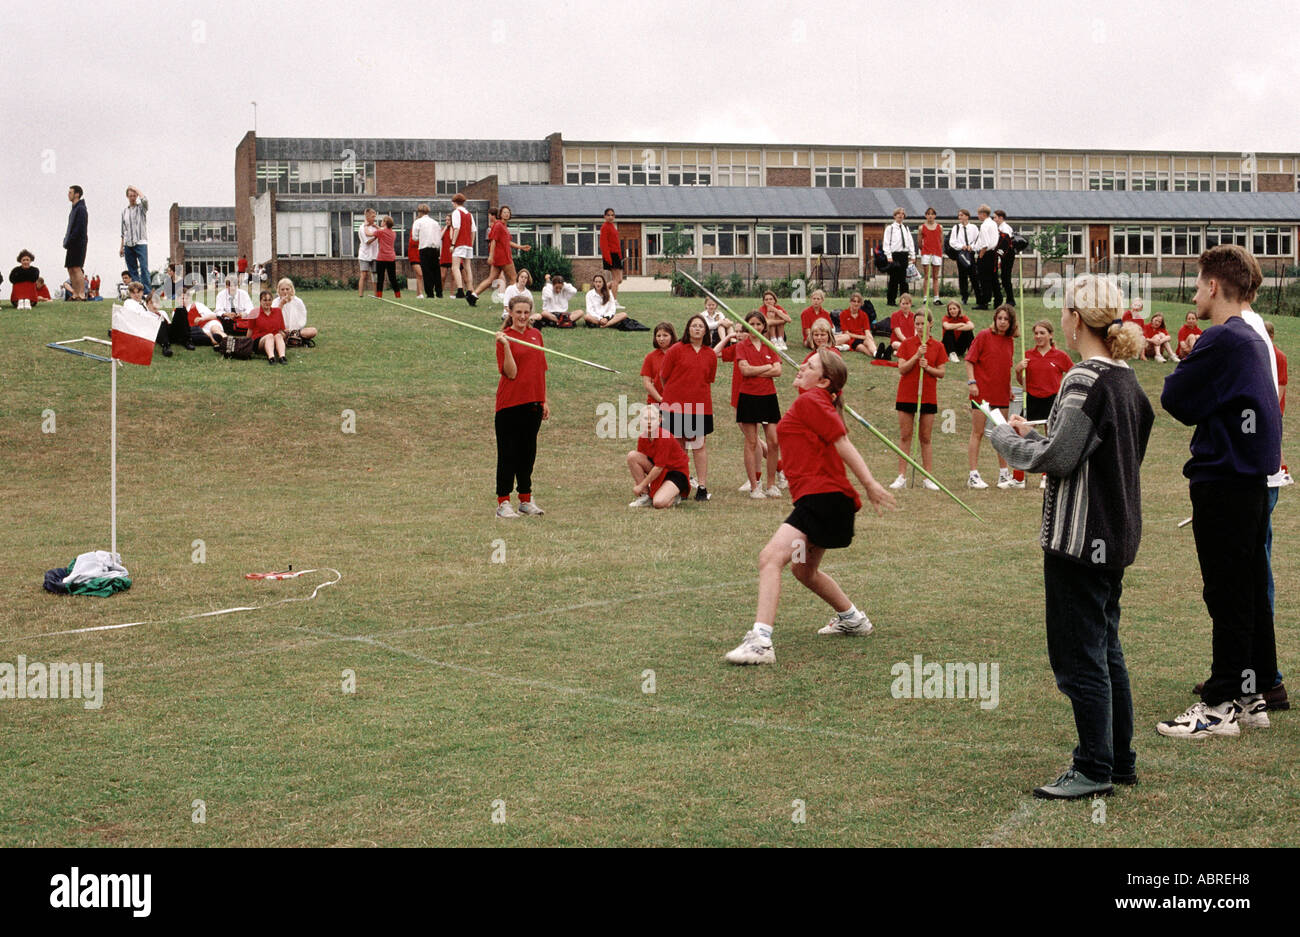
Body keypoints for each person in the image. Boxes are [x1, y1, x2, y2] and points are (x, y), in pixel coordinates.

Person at [988, 274, 1152, 798]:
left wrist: (1003, 439)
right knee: (1106, 649)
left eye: (1064, 310)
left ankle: (1093, 768)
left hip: (1079, 540)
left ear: (1077, 319)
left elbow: (1060, 459)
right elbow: (1092, 448)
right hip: (1113, 536)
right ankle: (1118, 760)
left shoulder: (1083, 378)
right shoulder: (1126, 378)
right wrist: (1035, 435)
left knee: (1080, 656)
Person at [1158, 245, 1281, 739]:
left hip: (1224, 482)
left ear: (1213, 286)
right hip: (1249, 482)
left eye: (1197, 285)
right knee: (1247, 589)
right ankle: (1251, 694)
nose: (1194, 296)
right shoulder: (1253, 337)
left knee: (1226, 593)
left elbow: (1175, 397)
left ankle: (1220, 706)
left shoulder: (1224, 337)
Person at [724, 348, 896, 665]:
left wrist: (870, 483)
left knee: (770, 558)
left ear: (824, 381)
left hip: (823, 500)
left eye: (811, 365)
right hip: (831, 505)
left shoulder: (813, 400)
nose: (802, 366)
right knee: (803, 569)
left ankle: (760, 643)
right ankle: (853, 619)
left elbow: (843, 442)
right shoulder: (815, 402)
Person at [494, 294, 549, 518]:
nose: (523, 316)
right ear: (510, 312)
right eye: (518, 312)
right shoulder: (503, 338)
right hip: (509, 404)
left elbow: (540, 370)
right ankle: (503, 503)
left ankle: (525, 500)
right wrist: (507, 346)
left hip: (533, 404)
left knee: (528, 454)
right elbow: (511, 372)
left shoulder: (536, 336)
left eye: (526, 312)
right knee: (508, 454)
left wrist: (544, 399)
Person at [719, 312, 783, 499]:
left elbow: (778, 370)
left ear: (764, 326)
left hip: (768, 397)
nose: (755, 328)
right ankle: (755, 486)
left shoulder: (769, 345)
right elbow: (745, 370)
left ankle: (771, 484)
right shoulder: (742, 346)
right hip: (748, 397)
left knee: (773, 441)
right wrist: (767, 368)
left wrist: (758, 370)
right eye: (751, 324)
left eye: (758, 324)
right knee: (752, 442)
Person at [659, 314, 718, 501]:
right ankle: (681, 484)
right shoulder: (676, 349)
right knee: (679, 447)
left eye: (701, 326)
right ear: (688, 329)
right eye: (694, 325)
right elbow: (664, 376)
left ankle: (702, 487)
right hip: (675, 406)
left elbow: (708, 379)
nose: (697, 328)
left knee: (699, 446)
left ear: (706, 330)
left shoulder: (710, 354)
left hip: (700, 407)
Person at [890, 309, 947, 490]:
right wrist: (916, 356)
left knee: (925, 437)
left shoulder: (938, 346)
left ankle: (928, 477)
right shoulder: (907, 344)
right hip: (907, 394)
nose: (920, 327)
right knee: (905, 435)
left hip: (928, 396)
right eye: (917, 324)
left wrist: (928, 367)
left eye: (923, 323)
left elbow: (941, 373)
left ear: (931, 324)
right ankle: (901, 476)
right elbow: (902, 369)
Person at [1016, 319, 1075, 488]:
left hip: (1052, 400)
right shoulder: (1028, 355)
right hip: (1032, 399)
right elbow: (1023, 383)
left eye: (1042, 333)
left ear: (1050, 335)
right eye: (1036, 333)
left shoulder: (1060, 356)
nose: (1038, 336)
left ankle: (1047, 477)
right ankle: (1018, 478)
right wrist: (1018, 370)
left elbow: (1073, 373)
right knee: (1020, 435)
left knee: (1051, 439)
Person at [966, 304, 1019, 489]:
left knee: (1002, 433)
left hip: (1001, 394)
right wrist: (972, 382)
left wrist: (1009, 389)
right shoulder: (983, 336)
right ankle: (973, 475)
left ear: (1011, 322)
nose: (1002, 322)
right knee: (978, 432)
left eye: (1006, 319)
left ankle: (1004, 474)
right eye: (1000, 318)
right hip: (981, 393)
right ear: (995, 319)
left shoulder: (1010, 341)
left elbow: (1006, 367)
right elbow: (969, 361)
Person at [627, 404, 690, 509]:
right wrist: (643, 485)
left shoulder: (664, 437)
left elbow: (659, 467)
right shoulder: (642, 438)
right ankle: (645, 496)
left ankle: (676, 495)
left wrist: (641, 485)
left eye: (652, 419)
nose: (649, 422)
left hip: (676, 472)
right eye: (645, 418)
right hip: (660, 470)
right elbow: (643, 463)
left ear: (659, 420)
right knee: (632, 456)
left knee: (658, 503)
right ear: (640, 421)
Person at [476, 205, 531, 299]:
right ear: (500, 214)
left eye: (508, 212)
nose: (506, 214)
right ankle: (514, 299)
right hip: (503, 257)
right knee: (513, 278)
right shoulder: (499, 225)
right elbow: (493, 240)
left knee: (491, 279)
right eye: (504, 212)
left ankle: (473, 295)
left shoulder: (503, 226)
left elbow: (508, 242)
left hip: (499, 257)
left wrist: (521, 247)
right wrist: (490, 256)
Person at [119, 186, 150, 297]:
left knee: (144, 267)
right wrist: (121, 246)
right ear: (127, 197)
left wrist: (135, 189)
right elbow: (123, 231)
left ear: (136, 196)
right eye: (130, 195)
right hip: (128, 243)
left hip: (140, 242)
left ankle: (146, 292)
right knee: (132, 270)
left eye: (134, 195)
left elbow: (145, 200)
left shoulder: (141, 208)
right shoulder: (124, 212)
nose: (132, 198)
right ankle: (137, 293)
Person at [127, 283, 172, 357]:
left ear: (142, 292)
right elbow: (137, 316)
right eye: (133, 293)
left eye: (138, 292)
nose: (136, 295)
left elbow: (152, 301)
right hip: (143, 325)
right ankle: (165, 346)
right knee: (160, 322)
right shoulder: (129, 303)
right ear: (130, 294)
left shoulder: (144, 302)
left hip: (156, 323)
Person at [883, 207, 916, 307]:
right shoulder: (890, 228)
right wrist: (889, 256)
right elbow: (886, 243)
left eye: (902, 214)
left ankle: (905, 301)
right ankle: (891, 301)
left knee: (904, 280)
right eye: (898, 213)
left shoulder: (906, 228)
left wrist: (912, 255)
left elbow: (910, 242)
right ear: (894, 216)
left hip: (904, 255)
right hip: (894, 255)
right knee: (894, 279)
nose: (901, 215)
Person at [449, 194, 478, 305]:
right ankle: (469, 289)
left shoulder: (456, 212)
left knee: (455, 267)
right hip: (468, 244)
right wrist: (471, 244)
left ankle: (460, 290)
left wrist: (453, 244)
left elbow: (456, 228)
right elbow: (473, 231)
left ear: (455, 202)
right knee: (467, 267)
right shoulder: (469, 214)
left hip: (459, 243)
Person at [272, 278, 318, 347]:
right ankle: (295, 340)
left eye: (287, 289)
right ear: (279, 290)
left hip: (297, 331)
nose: (285, 291)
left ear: (291, 289)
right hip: (282, 331)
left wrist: (294, 330)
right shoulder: (275, 302)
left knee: (313, 331)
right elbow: (273, 319)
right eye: (282, 289)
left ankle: (292, 339)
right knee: (277, 335)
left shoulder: (298, 301)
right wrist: (281, 305)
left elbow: (302, 318)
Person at [948, 208, 980, 305]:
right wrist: (962, 246)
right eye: (959, 215)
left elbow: (978, 239)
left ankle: (979, 297)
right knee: (962, 276)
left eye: (962, 215)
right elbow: (952, 241)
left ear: (967, 216)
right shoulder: (956, 228)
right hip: (961, 254)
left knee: (974, 276)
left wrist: (971, 247)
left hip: (970, 253)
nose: (960, 217)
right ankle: (964, 297)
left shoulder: (973, 227)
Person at [640, 321, 676, 404]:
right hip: (655, 402)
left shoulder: (680, 355)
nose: (661, 339)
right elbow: (647, 382)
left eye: (665, 335)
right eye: (658, 336)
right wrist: (660, 399)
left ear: (672, 336)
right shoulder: (650, 357)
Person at [248, 289, 288, 364]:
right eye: (265, 300)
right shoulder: (254, 312)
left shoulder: (278, 311)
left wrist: (285, 334)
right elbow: (250, 330)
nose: (267, 302)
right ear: (260, 301)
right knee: (269, 336)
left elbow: (281, 329)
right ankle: (271, 357)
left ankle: (282, 357)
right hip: (259, 341)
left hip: (274, 339)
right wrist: (247, 344)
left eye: (269, 300)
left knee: (278, 335)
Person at [412, 203, 442, 299]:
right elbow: (439, 237)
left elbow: (415, 237)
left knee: (426, 271)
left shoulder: (418, 222)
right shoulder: (435, 222)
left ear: (419, 212)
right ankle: (439, 292)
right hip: (435, 248)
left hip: (424, 248)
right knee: (436, 271)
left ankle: (430, 293)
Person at [63, 185, 88, 301]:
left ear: (77, 194)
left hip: (79, 242)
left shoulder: (81, 209)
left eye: (70, 192)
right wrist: (66, 240)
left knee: (77, 267)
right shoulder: (73, 209)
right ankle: (75, 293)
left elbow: (80, 228)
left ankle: (82, 293)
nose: (68, 195)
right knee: (70, 268)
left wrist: (71, 239)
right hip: (71, 242)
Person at [974, 204, 1001, 310]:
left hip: (986, 253)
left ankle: (984, 302)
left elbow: (985, 244)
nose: (978, 216)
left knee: (984, 279)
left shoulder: (984, 226)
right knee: (994, 278)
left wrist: (980, 256)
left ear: (983, 214)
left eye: (979, 214)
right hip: (993, 253)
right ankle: (998, 301)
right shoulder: (993, 224)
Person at [836, 291, 877, 357]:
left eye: (858, 302)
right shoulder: (844, 314)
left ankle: (876, 353)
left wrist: (870, 337)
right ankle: (877, 354)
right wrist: (863, 337)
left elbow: (867, 330)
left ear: (861, 304)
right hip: (851, 339)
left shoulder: (864, 315)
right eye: (854, 301)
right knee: (861, 347)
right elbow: (847, 333)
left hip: (862, 337)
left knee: (869, 341)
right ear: (850, 302)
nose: (856, 304)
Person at [918, 207, 944, 304]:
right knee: (926, 276)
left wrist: (936, 249)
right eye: (928, 214)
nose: (930, 216)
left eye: (932, 214)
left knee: (935, 277)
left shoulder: (940, 227)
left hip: (937, 253)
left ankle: (936, 298)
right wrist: (925, 250)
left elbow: (941, 241)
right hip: (926, 253)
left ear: (935, 216)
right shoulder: (921, 227)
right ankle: (925, 298)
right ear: (926, 215)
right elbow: (919, 243)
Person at [373, 215, 401, 298]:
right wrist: (376, 226)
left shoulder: (380, 232)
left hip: (381, 258)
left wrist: (365, 227)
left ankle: (379, 295)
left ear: (385, 222)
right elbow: (384, 231)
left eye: (382, 221)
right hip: (391, 258)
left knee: (380, 278)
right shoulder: (393, 233)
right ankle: (398, 295)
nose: (381, 222)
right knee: (393, 278)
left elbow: (369, 234)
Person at [600, 207, 623, 301]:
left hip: (616, 255)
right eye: (608, 215)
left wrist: (620, 255)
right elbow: (603, 244)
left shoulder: (612, 226)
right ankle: (613, 301)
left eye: (612, 215)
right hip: (611, 255)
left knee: (619, 279)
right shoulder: (604, 227)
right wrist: (608, 258)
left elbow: (616, 242)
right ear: (604, 216)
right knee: (616, 280)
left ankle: (600, 290)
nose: (610, 217)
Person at [994, 209, 1016, 307]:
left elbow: (1005, 243)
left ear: (1001, 217)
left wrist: (999, 257)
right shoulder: (1000, 228)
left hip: (1007, 254)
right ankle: (1009, 298)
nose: (994, 219)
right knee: (1004, 277)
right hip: (1004, 254)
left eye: (995, 217)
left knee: (1006, 277)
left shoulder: (1005, 228)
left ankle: (1010, 299)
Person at [356, 208, 378, 299]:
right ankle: (361, 294)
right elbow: (367, 242)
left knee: (375, 274)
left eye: (375, 217)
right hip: (364, 255)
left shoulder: (375, 227)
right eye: (373, 217)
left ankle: (376, 294)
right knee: (364, 274)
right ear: (367, 217)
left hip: (375, 254)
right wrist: (376, 237)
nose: (374, 218)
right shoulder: (362, 228)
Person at [406, 223, 424, 299]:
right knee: (420, 273)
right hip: (413, 255)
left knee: (418, 275)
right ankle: (421, 293)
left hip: (420, 255)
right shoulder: (413, 232)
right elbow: (412, 242)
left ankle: (418, 294)